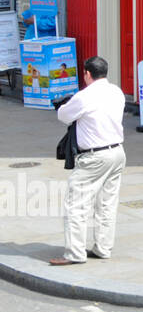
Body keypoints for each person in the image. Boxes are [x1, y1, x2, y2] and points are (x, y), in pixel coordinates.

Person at [49, 57, 126, 266]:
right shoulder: (117, 92)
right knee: (107, 203)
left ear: (87, 74)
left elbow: (63, 116)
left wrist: (66, 104)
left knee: (76, 205)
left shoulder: (84, 96)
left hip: (95, 156)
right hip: (117, 152)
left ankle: (75, 253)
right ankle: (103, 248)